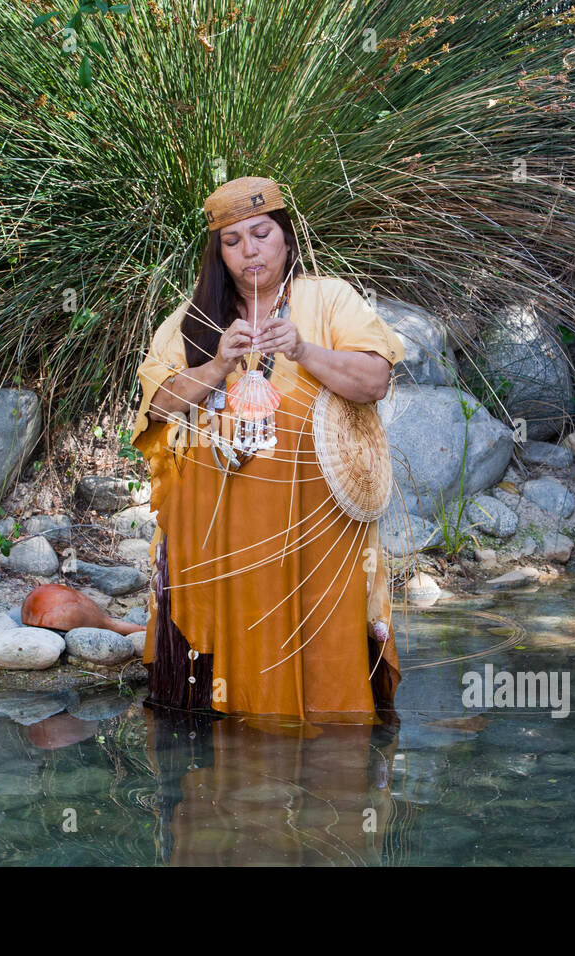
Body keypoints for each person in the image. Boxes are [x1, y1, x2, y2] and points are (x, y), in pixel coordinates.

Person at [129, 176, 406, 724]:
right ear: (218, 253)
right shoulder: (196, 317)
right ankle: (228, 726)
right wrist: (216, 366)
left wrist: (304, 348)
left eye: (260, 233)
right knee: (239, 625)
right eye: (232, 241)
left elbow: (375, 379)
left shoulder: (326, 298)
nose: (249, 250)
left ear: (285, 235)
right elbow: (157, 408)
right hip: (219, 525)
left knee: (320, 626)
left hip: (316, 518)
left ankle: (326, 725)